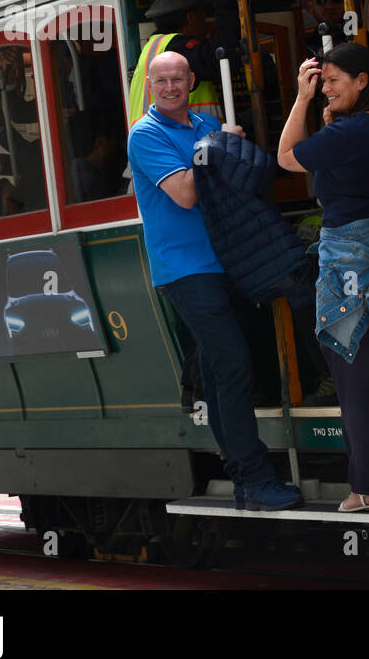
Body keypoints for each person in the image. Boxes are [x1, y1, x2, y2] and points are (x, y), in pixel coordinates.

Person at [127, 50, 302, 512]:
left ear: (191, 81)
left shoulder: (206, 126)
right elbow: (185, 193)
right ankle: (253, 477)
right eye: (161, 80)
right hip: (185, 268)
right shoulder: (145, 134)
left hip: (226, 262)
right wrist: (218, 148)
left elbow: (240, 173)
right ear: (149, 85)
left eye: (178, 79)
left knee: (221, 369)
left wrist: (219, 146)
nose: (170, 87)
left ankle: (246, 480)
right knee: (233, 365)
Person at [277, 43, 369, 513]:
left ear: (363, 81)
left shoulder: (355, 129)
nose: (325, 87)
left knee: (352, 372)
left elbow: (286, 157)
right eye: (322, 80)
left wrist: (299, 100)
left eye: (334, 79)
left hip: (349, 263)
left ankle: (365, 488)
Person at [128, 0, 239, 127]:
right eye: (202, 17)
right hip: (181, 144)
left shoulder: (152, 47)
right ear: (191, 18)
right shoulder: (176, 49)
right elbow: (222, 59)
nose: (205, 24)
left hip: (160, 141)